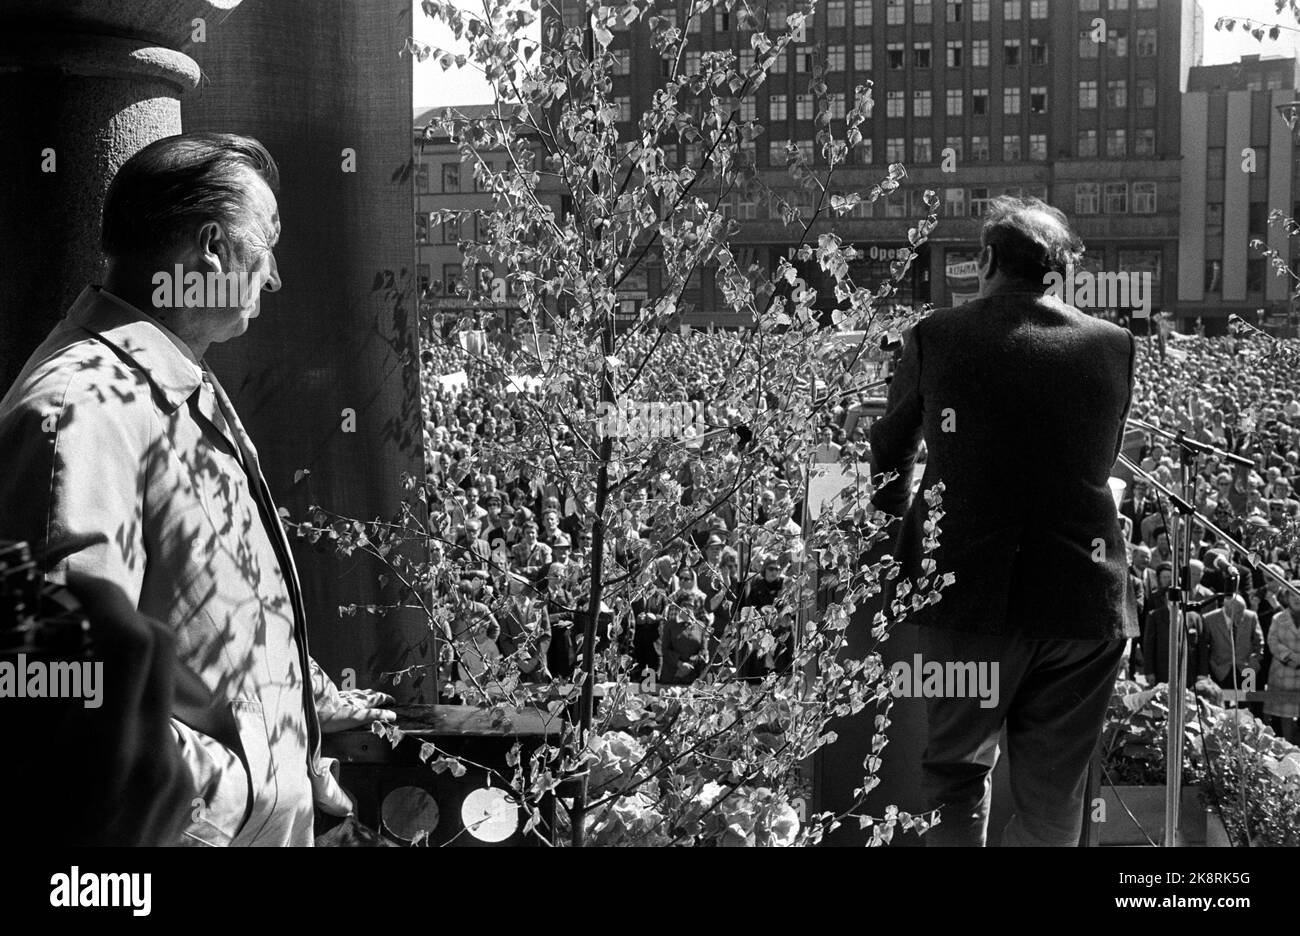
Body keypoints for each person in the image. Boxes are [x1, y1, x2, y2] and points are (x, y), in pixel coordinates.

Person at [0, 133, 394, 846]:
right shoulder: (85, 406)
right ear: (212, 248)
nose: (272, 277)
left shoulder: (163, 385)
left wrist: (299, 727)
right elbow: (60, 690)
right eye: (265, 244)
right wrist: (243, 791)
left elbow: (205, 606)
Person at [868, 196, 1138, 847]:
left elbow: (889, 449)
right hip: (1083, 603)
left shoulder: (937, 336)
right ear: (1059, 271)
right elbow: (1099, 461)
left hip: (969, 601)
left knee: (956, 778)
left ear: (986, 259)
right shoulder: (1113, 346)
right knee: (1053, 799)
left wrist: (889, 531)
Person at [1264, 585, 1300, 742]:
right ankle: (1287, 748)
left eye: (1299, 596)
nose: (1297, 599)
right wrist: (1290, 656)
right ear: (1287, 598)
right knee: (1285, 715)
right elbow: (1272, 641)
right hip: (1283, 673)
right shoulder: (1278, 618)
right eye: (1292, 596)